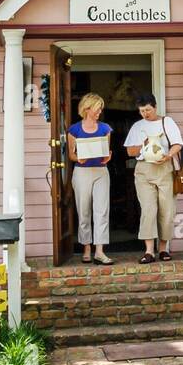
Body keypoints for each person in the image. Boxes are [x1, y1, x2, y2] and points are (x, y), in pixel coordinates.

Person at [124, 93, 183, 264]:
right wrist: (143, 144)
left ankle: (163, 248)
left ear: (155, 107)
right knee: (148, 209)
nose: (145, 113)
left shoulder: (167, 122)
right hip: (144, 169)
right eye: (142, 111)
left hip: (164, 167)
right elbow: (130, 152)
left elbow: (178, 144)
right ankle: (149, 250)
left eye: (148, 110)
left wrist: (168, 155)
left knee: (167, 209)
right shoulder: (137, 126)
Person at [67, 92, 113, 265]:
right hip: (82, 172)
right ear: (87, 109)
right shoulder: (74, 129)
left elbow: (106, 151)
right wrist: (78, 158)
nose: (99, 111)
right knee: (84, 211)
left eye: (100, 109)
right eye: (96, 108)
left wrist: (108, 156)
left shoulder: (105, 128)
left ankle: (100, 251)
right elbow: (71, 155)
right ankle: (86, 248)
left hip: (101, 171)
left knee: (102, 211)